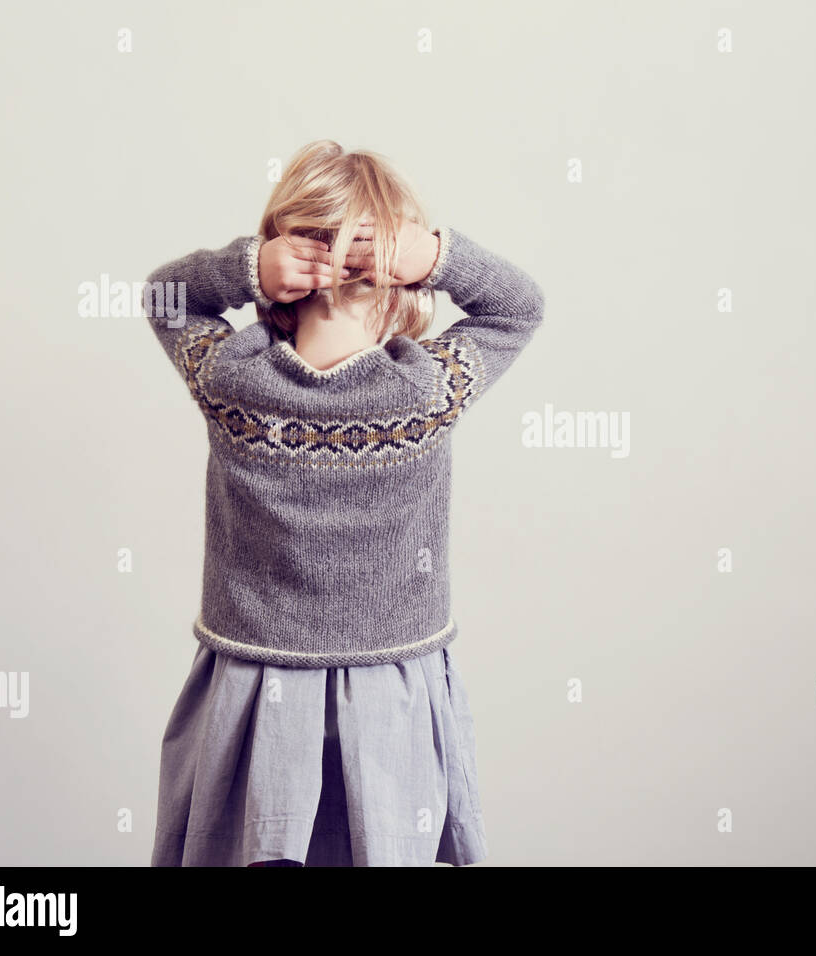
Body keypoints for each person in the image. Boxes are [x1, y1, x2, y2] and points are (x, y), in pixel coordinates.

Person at [139, 140, 545, 866]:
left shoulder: (229, 378)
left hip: (251, 695)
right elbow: (520, 306)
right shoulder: (428, 391)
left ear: (284, 253)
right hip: (392, 694)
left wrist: (241, 269)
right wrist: (442, 257)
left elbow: (163, 297)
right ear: (397, 274)